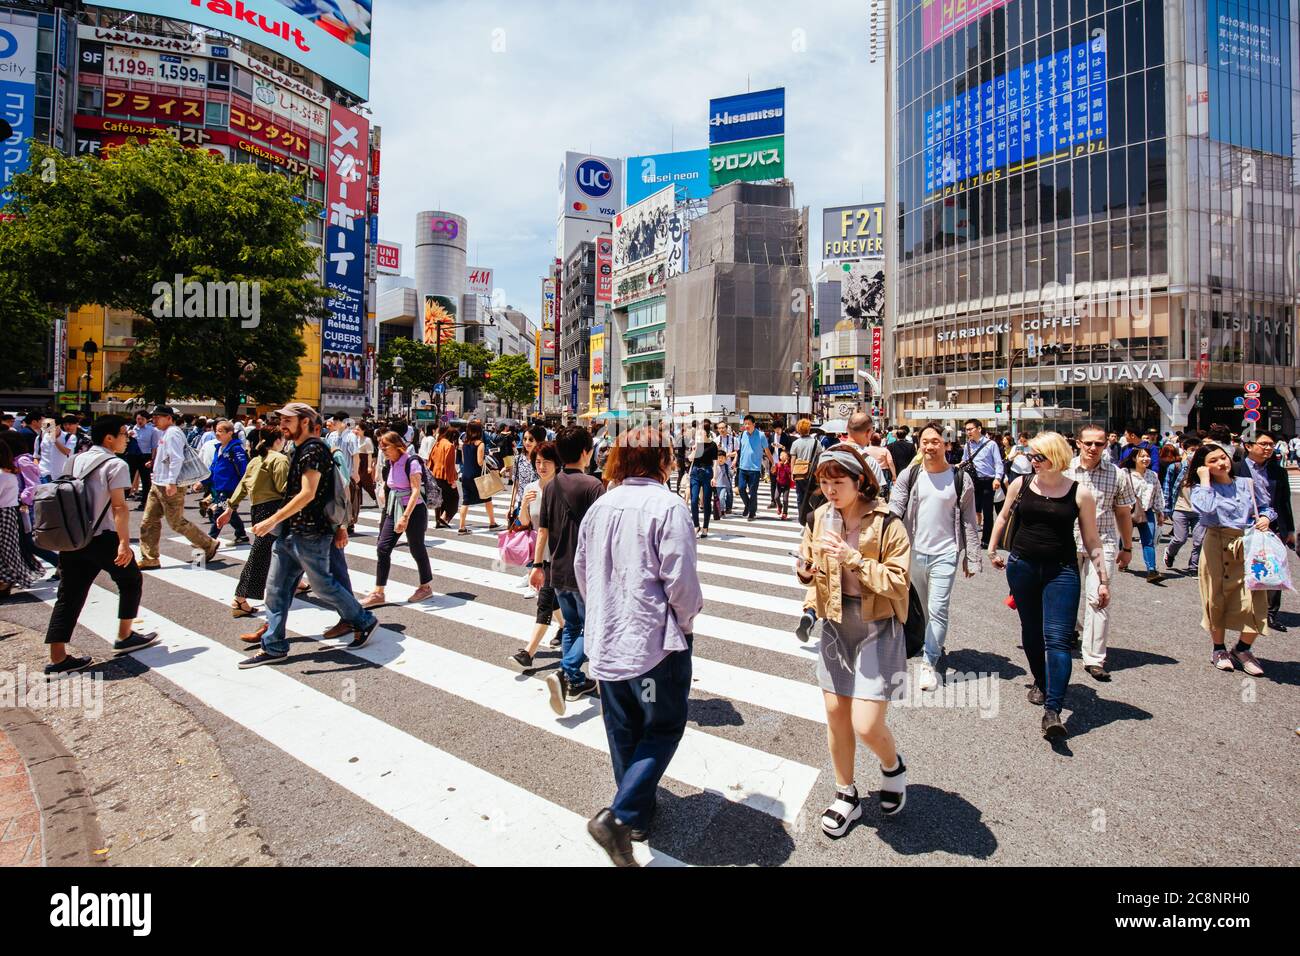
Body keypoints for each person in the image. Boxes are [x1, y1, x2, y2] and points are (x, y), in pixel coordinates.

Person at [576, 425, 703, 865]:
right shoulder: (668, 506)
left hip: (606, 635)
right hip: (655, 638)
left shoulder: (601, 506)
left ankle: (637, 816)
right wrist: (684, 624)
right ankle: (620, 816)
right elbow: (681, 581)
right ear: (663, 459)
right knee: (663, 725)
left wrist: (601, 613)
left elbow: (582, 570)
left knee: (622, 727)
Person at [795, 444, 910, 834]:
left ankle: (892, 765)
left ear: (860, 482)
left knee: (866, 723)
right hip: (835, 622)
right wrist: (806, 574)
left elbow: (897, 582)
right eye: (824, 482)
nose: (829, 490)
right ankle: (846, 794)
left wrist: (852, 557)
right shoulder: (819, 517)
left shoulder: (888, 522)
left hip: (876, 624)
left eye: (837, 482)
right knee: (835, 713)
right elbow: (809, 566)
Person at [988, 432, 1110, 740]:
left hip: (1062, 571)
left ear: (1055, 457)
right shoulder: (1022, 483)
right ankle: (1040, 682)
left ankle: (1053, 710)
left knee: (1057, 639)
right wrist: (991, 549)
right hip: (1022, 567)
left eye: (1038, 456)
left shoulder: (1079, 493)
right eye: (1030, 456)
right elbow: (1002, 517)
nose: (1032, 461)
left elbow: (1092, 539)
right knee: (1031, 631)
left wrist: (1103, 579)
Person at [240, 404, 378, 668]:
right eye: (281, 419)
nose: (281, 424)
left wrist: (272, 520)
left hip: (311, 532)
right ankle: (274, 645)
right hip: (291, 532)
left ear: (304, 422)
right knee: (276, 590)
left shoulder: (313, 450)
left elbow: (308, 493)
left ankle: (363, 620)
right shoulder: (300, 449)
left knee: (324, 586)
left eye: (287, 420)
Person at [41, 416, 160, 675]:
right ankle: (125, 634)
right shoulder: (115, 464)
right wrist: (124, 543)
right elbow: (118, 506)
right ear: (109, 438)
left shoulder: (75, 459)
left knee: (69, 593)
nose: (127, 438)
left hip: (73, 537)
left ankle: (58, 656)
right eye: (123, 434)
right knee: (130, 580)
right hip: (103, 536)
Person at [888, 422, 982, 691]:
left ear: (946, 444)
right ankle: (932, 642)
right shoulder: (912, 474)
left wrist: (971, 557)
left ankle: (930, 662)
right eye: (925, 441)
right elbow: (896, 504)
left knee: (938, 609)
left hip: (946, 553)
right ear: (920, 445)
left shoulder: (960, 478)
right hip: (914, 551)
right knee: (922, 609)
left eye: (935, 441)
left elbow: (968, 521)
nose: (930, 446)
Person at [529, 426, 604, 714]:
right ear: (586, 452)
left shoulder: (549, 486)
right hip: (584, 571)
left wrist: (538, 565)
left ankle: (574, 680)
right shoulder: (593, 486)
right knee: (593, 627)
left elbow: (543, 531)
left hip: (556, 567)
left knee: (572, 626)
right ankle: (565, 671)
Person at [1188, 444, 1272, 676]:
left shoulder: (1246, 483)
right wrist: (1205, 480)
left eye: (1222, 457)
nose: (1221, 463)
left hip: (1247, 543)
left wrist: (1265, 516)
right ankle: (1219, 649)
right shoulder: (1200, 488)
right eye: (1213, 461)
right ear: (1203, 467)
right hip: (1216, 542)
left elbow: (1266, 506)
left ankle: (1243, 648)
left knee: (1255, 598)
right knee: (1216, 597)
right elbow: (1204, 510)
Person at [1065, 423, 1136, 682]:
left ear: (1106, 445)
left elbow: (1123, 513)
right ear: (1078, 443)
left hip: (1103, 544)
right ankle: (1068, 633)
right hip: (1067, 541)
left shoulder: (1117, 475)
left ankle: (1094, 658)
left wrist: (1127, 547)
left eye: (1099, 443)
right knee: (1065, 595)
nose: (1093, 448)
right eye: (1088, 443)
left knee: (1099, 599)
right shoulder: (1064, 470)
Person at [137, 406, 219, 570]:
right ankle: (150, 558)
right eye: (154, 417)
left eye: (158, 417)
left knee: (176, 522)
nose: (154, 419)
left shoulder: (173, 433)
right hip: (159, 483)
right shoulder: (165, 433)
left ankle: (207, 543)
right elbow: (168, 458)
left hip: (169, 484)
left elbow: (176, 458)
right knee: (148, 521)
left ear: (169, 418)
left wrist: (171, 481)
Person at [508, 441, 566, 670]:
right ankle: (565, 627)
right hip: (541, 555)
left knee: (544, 603)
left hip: (559, 556)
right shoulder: (531, 487)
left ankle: (528, 652)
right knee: (551, 601)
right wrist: (523, 505)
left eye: (547, 462)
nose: (541, 466)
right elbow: (524, 522)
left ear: (557, 463)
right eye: (538, 462)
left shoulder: (563, 487)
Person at [360, 431, 434, 608]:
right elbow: (389, 489)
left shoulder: (412, 461)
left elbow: (416, 491)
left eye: (386, 446)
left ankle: (425, 586)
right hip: (393, 508)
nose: (382, 450)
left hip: (413, 510)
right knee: (383, 548)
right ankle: (379, 592)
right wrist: (386, 514)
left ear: (397, 446)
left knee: (417, 548)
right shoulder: (390, 462)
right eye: (381, 446)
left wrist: (405, 517)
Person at [221, 428, 289, 618]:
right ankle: (240, 597)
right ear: (278, 440)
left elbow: (243, 485)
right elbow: (284, 487)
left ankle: (296, 583)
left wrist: (230, 508)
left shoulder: (256, 460)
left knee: (279, 549)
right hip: (274, 509)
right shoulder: (279, 459)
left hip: (257, 509)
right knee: (261, 554)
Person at [1234, 432, 1294, 632]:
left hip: (1273, 525)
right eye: (1264, 444)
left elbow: (1284, 502)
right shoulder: (1236, 469)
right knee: (1245, 567)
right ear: (1249, 446)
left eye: (1271, 444)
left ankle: (1270, 613)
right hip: (1245, 526)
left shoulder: (1278, 471)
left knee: (1274, 568)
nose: (1269, 448)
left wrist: (1290, 529)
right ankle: (1245, 606)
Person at [0, 440, 43, 599]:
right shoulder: (9, 473)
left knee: (12, 549)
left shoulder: (4, 474)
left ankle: (6, 580)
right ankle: (6, 581)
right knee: (11, 549)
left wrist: (25, 501)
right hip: (11, 512)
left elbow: (32, 486)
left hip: (5, 514)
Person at [200, 420, 249, 545]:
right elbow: (213, 467)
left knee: (219, 512)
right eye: (216, 431)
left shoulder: (236, 449)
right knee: (230, 513)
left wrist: (243, 487)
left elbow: (243, 470)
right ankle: (241, 535)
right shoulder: (219, 448)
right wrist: (203, 481)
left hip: (230, 487)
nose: (217, 434)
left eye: (220, 431)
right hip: (219, 486)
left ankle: (210, 541)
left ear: (230, 433)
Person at [1123, 447, 1165, 583]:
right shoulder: (1125, 473)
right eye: (1142, 456)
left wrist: (1160, 512)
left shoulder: (1152, 475)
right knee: (1125, 539)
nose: (1146, 459)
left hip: (1147, 512)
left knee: (1148, 541)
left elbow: (1158, 494)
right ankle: (1123, 560)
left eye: (1147, 456)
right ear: (1134, 458)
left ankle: (1152, 570)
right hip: (1128, 512)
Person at [1164, 435, 1205, 573]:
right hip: (1180, 508)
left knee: (1199, 541)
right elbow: (1167, 489)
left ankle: (1193, 567)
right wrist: (1166, 509)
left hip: (1199, 511)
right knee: (1180, 538)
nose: (1195, 453)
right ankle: (1170, 553)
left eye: (1198, 451)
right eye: (1192, 450)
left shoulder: (1205, 469)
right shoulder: (1176, 467)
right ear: (1184, 449)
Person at [961, 419, 1004, 548]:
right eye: (966, 429)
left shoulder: (991, 444)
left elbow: (998, 463)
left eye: (970, 429)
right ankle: (971, 539)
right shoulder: (967, 445)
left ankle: (986, 540)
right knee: (971, 512)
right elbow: (964, 461)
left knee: (988, 512)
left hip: (988, 481)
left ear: (979, 429)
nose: (968, 432)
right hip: (973, 482)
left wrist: (997, 478)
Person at [456, 421, 498, 534]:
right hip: (477, 475)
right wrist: (488, 460)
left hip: (466, 474)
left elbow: (464, 461)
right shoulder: (480, 444)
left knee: (466, 501)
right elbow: (480, 462)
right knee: (487, 498)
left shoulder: (464, 444)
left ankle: (461, 527)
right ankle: (492, 523)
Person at [736, 415, 772, 521]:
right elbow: (740, 450)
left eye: (748, 424)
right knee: (741, 488)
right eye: (745, 423)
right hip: (743, 467)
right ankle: (748, 506)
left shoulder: (761, 435)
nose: (746, 426)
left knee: (753, 492)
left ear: (753, 424)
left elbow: (767, 450)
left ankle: (752, 512)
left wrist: (772, 463)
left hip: (755, 469)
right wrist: (735, 461)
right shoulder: (742, 435)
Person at [688, 419, 718, 538]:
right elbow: (690, 459)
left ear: (706, 433)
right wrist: (695, 449)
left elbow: (715, 462)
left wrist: (714, 477)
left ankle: (705, 527)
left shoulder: (713, 445)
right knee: (694, 500)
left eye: (700, 433)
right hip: (695, 472)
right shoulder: (698, 445)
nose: (698, 435)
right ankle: (696, 525)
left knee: (706, 501)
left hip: (707, 473)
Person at [846, 413, 891, 490]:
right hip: (859, 501)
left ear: (846, 429)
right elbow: (878, 491)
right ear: (868, 432)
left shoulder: (829, 453)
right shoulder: (868, 460)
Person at [790, 419, 822, 523]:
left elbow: (793, 459)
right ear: (809, 429)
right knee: (812, 495)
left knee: (800, 495)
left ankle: (801, 516)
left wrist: (792, 473)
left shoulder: (795, 443)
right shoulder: (817, 443)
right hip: (812, 473)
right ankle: (811, 516)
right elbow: (820, 458)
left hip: (799, 473)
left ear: (798, 429)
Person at [428, 425, 460, 529]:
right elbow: (449, 465)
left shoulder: (438, 443)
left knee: (440, 498)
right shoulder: (449, 446)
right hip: (444, 476)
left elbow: (430, 459)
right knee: (454, 498)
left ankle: (438, 520)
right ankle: (444, 518)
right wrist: (452, 481)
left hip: (435, 474)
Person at [128, 411, 158, 508]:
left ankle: (144, 502)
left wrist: (152, 459)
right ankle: (123, 497)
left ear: (146, 420)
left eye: (142, 419)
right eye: (138, 419)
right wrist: (127, 436)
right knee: (129, 478)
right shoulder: (131, 428)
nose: (139, 421)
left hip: (145, 456)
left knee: (145, 480)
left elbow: (154, 446)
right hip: (132, 455)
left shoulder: (152, 430)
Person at [38, 415, 79, 483]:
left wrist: (55, 440)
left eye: (52, 428)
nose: (49, 431)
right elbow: (38, 455)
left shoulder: (70, 437)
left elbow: (66, 452)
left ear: (58, 426)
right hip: (44, 473)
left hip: (60, 474)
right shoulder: (42, 436)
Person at [716, 421, 738, 515]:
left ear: (726, 428)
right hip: (719, 467)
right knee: (720, 487)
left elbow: (737, 452)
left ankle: (729, 507)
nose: (721, 430)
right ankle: (721, 506)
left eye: (723, 428)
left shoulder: (733, 439)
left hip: (729, 467)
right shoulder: (716, 440)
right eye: (719, 428)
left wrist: (734, 461)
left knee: (728, 488)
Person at [355, 423, 378, 506]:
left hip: (364, 462)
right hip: (357, 461)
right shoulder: (355, 439)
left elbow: (369, 454)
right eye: (356, 429)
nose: (356, 431)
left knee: (367, 483)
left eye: (358, 429)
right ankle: (358, 502)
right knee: (357, 482)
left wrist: (369, 466)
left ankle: (376, 498)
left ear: (363, 430)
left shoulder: (367, 440)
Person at [773, 448, 794, 520]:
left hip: (786, 485)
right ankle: (779, 506)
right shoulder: (778, 464)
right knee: (776, 497)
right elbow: (774, 472)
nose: (781, 456)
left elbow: (789, 472)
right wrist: (774, 469)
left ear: (788, 457)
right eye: (781, 455)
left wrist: (785, 465)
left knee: (785, 500)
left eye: (783, 455)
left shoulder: (789, 465)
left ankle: (785, 513)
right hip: (779, 484)